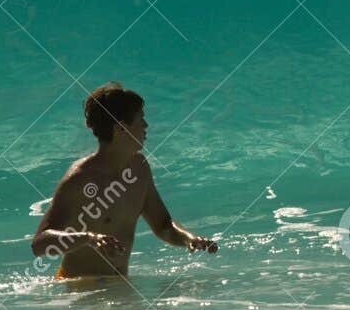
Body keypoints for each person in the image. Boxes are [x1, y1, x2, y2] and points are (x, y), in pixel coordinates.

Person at [31, 82, 218, 278]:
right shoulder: (79, 179)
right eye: (141, 119)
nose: (146, 126)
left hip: (119, 286)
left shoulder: (139, 169)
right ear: (121, 128)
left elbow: (163, 226)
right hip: (78, 290)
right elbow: (40, 244)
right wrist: (88, 238)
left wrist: (190, 239)